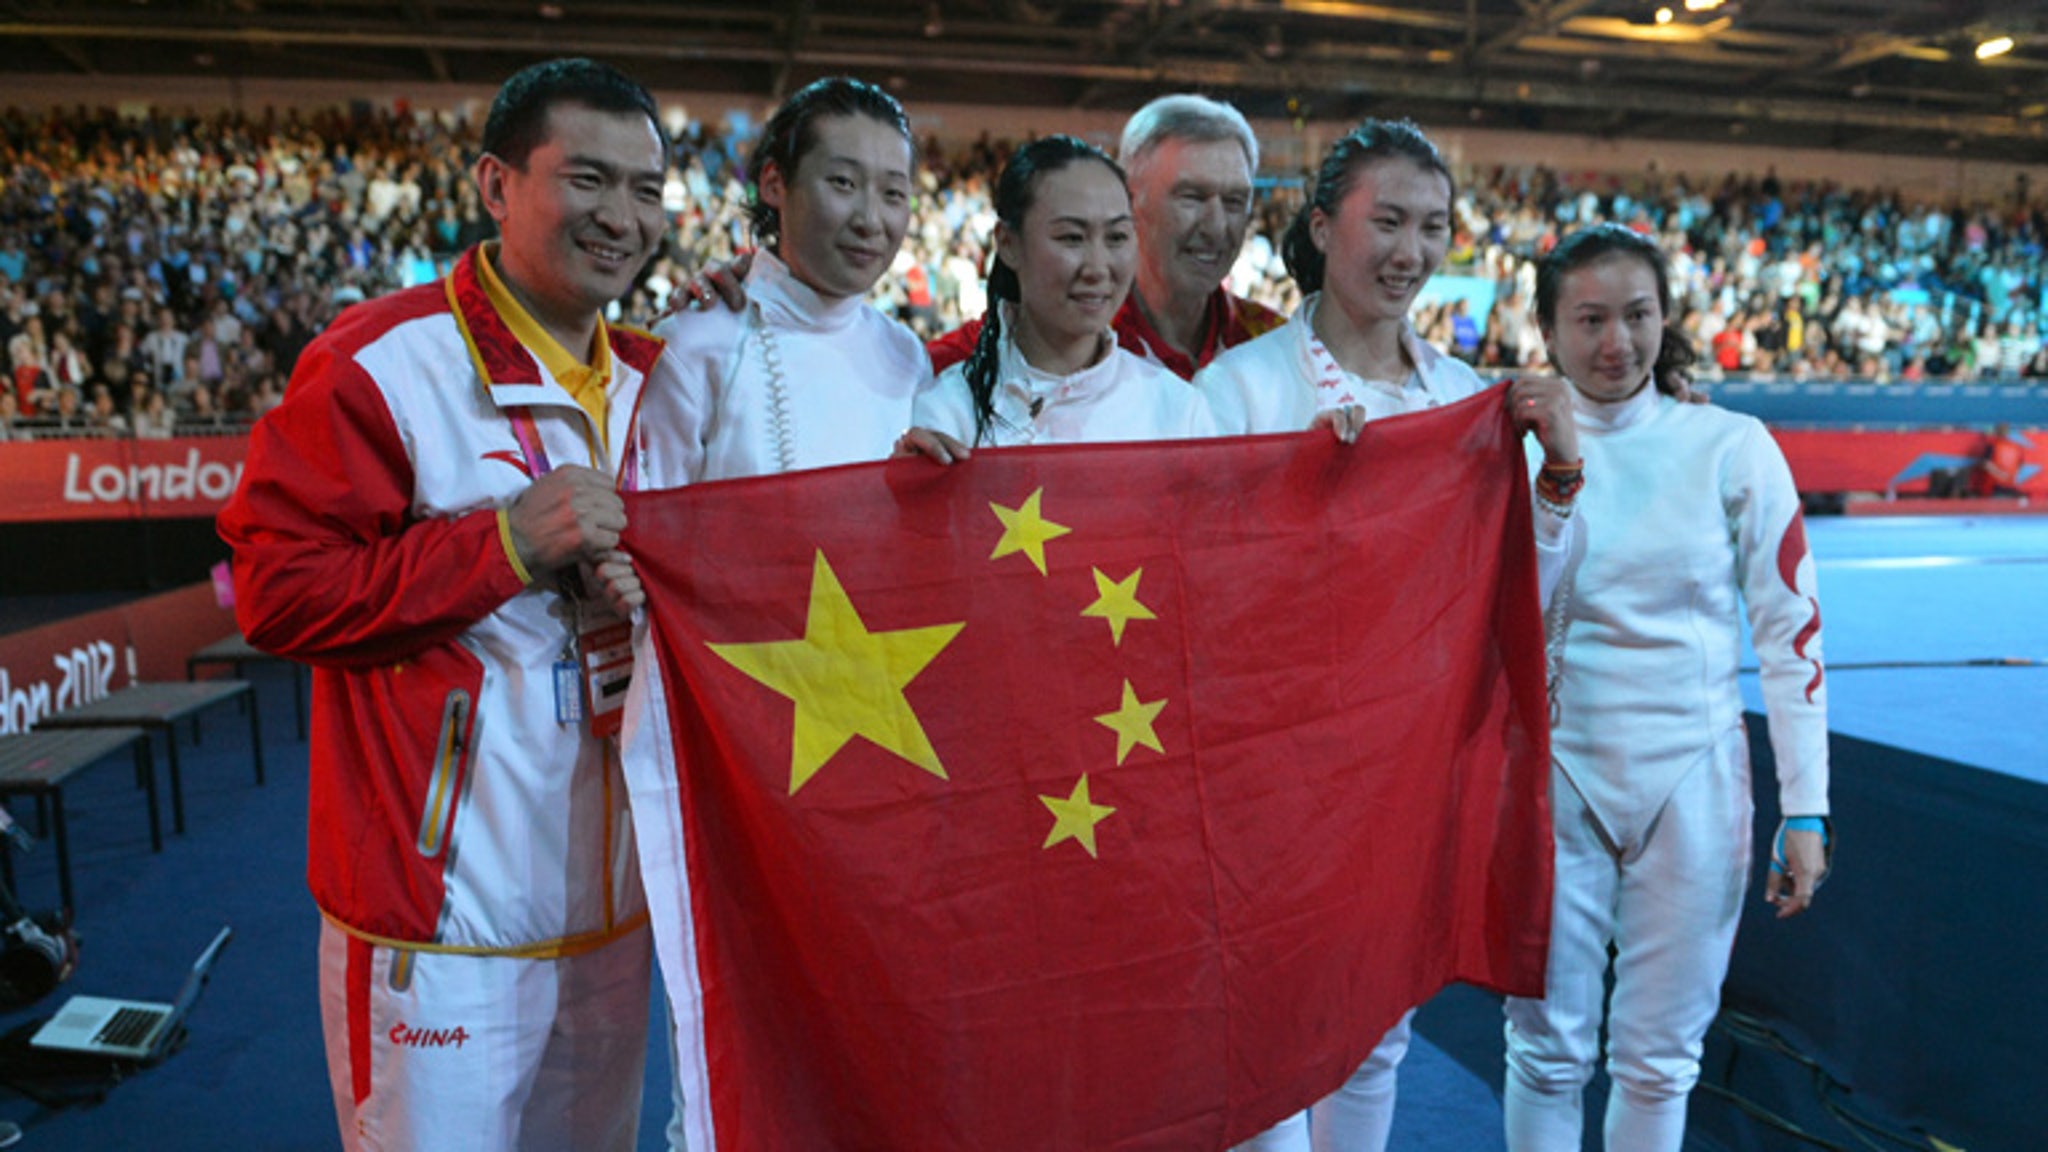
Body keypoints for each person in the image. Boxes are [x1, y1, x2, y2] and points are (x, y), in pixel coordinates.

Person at [217, 57, 670, 1151]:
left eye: (647, 192)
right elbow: (272, 595)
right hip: (440, 926)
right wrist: (504, 543)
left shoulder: (668, 376)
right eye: (587, 180)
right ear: (493, 184)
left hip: (617, 918)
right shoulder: (380, 363)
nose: (621, 217)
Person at [1195, 118, 1581, 1152]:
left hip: (1401, 767)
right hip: (1266, 767)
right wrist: (1300, 498)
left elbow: (1519, 588)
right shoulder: (1233, 392)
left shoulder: (1463, 401)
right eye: (1386, 221)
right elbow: (1182, 577)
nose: (1408, 250)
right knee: (1265, 1029)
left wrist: (1555, 475)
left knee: (1377, 1027)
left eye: (1431, 227)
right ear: (1321, 226)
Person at [631, 76, 933, 1152]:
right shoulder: (696, 348)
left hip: (878, 755)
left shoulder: (906, 358)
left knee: (862, 1040)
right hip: (739, 767)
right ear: (773, 185)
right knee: (732, 1054)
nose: (871, 218)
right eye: (841, 183)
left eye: (892, 192)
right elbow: (644, 570)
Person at [1502, 223, 1830, 1152]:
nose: (1616, 344)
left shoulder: (1733, 444)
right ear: (1548, 328)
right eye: (1591, 319)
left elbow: (1792, 632)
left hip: (1694, 779)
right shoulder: (1505, 442)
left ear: (1666, 318)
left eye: (1637, 316)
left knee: (1658, 1060)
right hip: (1551, 779)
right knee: (1545, 1053)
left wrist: (1807, 807)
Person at [923, 93, 1285, 379]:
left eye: (1235, 201)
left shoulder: (1276, 346)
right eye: (1191, 197)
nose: (1217, 226)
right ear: (1128, 198)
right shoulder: (1049, 336)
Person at [908, 134, 1213, 450]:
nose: (1097, 267)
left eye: (1117, 237)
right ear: (1008, 244)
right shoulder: (950, 412)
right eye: (1071, 237)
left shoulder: (1177, 413)